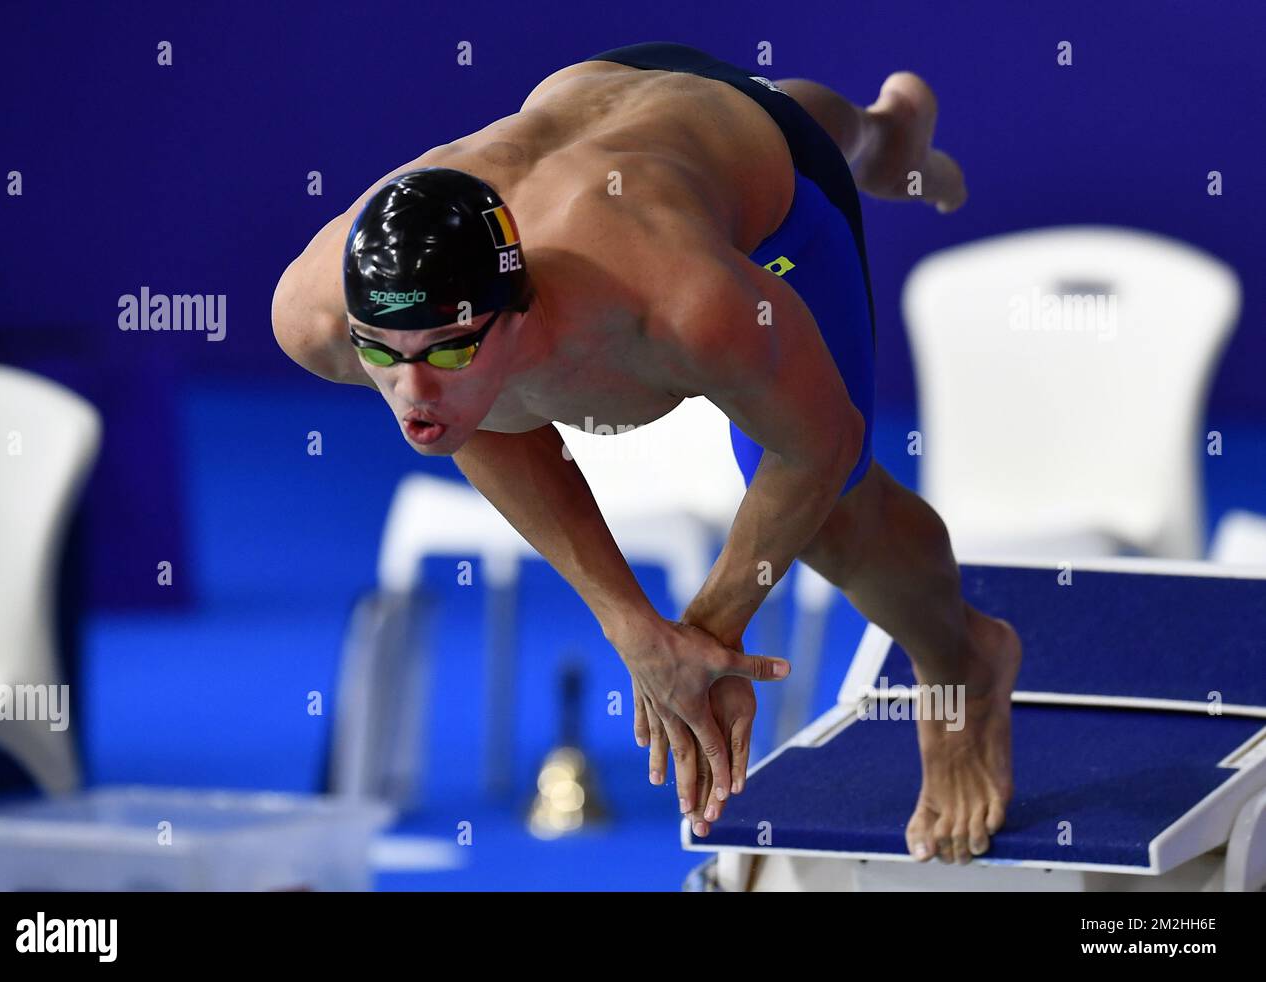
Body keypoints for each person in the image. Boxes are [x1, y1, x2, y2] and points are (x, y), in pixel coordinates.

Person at [272, 42, 1019, 864]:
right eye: (384, 352)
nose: (411, 392)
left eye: (448, 350)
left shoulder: (676, 304)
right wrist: (636, 630)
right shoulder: (318, 314)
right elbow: (476, 421)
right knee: (465, 391)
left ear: (520, 312)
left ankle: (963, 665)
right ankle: (886, 135)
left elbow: (822, 442)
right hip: (604, 92)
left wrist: (709, 633)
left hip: (767, 181)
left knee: (838, 517)